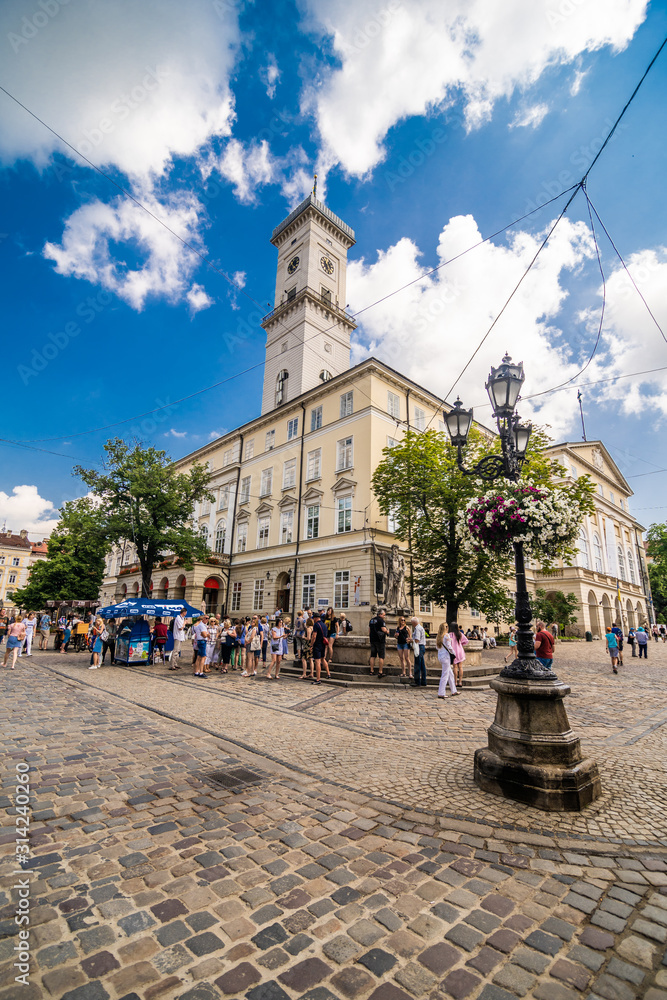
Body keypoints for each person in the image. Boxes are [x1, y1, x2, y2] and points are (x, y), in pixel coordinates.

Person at [436, 623, 458, 698]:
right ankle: (441, 692)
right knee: (445, 675)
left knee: (450, 673)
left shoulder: (438, 636)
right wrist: (454, 653)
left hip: (440, 656)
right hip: (446, 657)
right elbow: (449, 646)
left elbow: (437, 648)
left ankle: (453, 690)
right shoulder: (446, 635)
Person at [369, 609, 388, 677]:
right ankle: (380, 672)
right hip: (380, 640)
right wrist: (387, 631)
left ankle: (371, 671)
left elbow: (369, 630)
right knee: (381, 656)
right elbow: (383, 629)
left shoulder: (371, 620)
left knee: (372, 656)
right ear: (380, 614)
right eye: (384, 615)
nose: (384, 616)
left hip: (372, 639)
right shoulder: (381, 620)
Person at [449, 623, 468, 688]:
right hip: (460, 651)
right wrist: (461, 644)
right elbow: (466, 641)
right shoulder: (460, 634)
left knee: (455, 667)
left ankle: (455, 682)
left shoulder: (450, 634)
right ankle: (460, 681)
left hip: (454, 652)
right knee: (460, 667)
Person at [311, 611, 328, 685]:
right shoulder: (324, 625)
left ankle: (318, 679)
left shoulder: (316, 625)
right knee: (323, 659)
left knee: (317, 662)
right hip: (323, 645)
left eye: (313, 618)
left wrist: (311, 645)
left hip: (317, 645)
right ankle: (328, 674)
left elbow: (314, 636)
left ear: (315, 618)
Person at [411, 616, 426, 686]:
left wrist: (410, 640)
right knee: (422, 665)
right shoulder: (420, 627)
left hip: (419, 647)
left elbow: (417, 640)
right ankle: (423, 681)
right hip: (422, 647)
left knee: (417, 665)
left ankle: (417, 681)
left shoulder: (417, 629)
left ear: (414, 623)